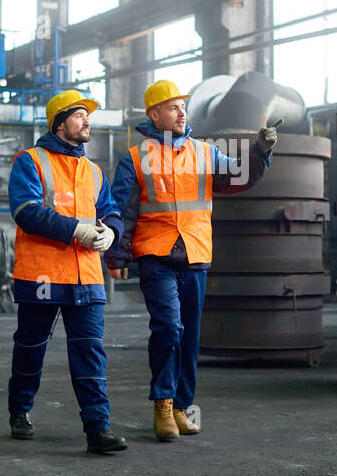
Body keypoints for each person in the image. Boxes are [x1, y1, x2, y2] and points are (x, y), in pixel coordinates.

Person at [106, 80, 276, 441]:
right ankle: (163, 403)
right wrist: (116, 253)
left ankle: (182, 407)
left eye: (183, 106)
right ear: (154, 115)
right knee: (169, 327)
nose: (182, 112)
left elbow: (238, 176)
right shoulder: (135, 159)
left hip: (196, 253)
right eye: (172, 107)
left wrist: (260, 151)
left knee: (189, 337)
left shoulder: (205, 152)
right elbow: (122, 210)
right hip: (157, 253)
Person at [6, 89, 127, 454]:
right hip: (41, 276)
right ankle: (19, 410)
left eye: (87, 115)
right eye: (79, 115)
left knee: (90, 351)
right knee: (31, 349)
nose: (87, 121)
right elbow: (25, 210)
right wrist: (76, 228)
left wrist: (112, 232)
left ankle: (98, 428)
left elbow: (112, 211)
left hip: (86, 278)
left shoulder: (93, 171)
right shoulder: (31, 161)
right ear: (60, 124)